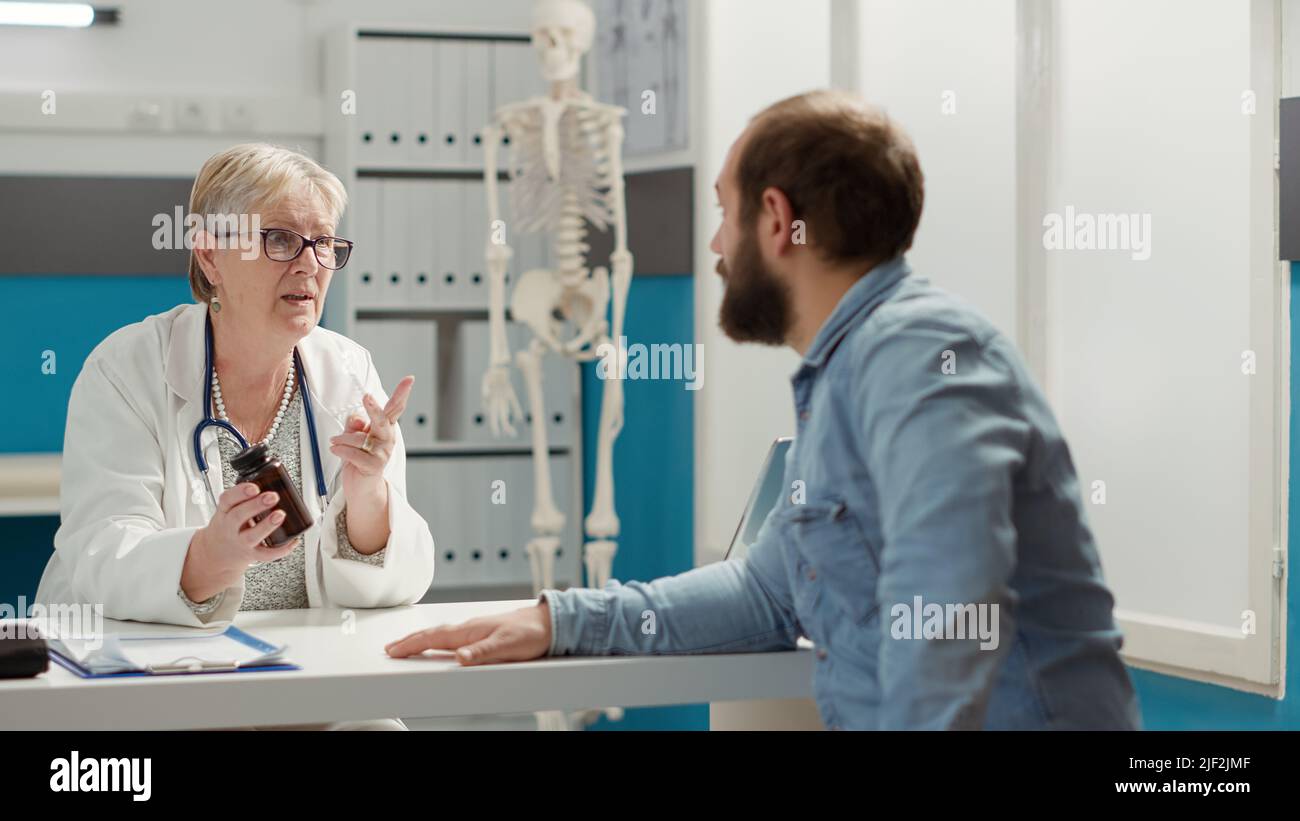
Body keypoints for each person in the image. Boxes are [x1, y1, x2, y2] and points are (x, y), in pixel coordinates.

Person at [385, 90, 1141, 730]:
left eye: (725, 211)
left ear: (777, 220)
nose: (716, 244)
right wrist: (563, 620)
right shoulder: (846, 368)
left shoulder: (918, 355)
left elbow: (946, 612)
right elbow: (769, 589)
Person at [35, 143, 436, 631]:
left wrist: (369, 491)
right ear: (210, 256)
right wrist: (210, 555)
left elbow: (387, 588)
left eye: (324, 242)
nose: (310, 265)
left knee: (374, 713)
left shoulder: (348, 369)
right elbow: (100, 555)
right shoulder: (127, 369)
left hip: (308, 671)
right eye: (281, 240)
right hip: (150, 674)